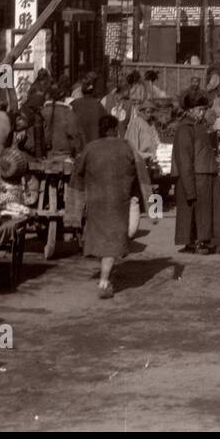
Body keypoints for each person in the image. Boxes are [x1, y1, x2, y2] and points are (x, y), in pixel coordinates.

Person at [72, 115, 139, 299]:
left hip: (97, 201)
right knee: (112, 241)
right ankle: (104, 282)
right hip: (118, 202)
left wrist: (77, 202)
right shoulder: (127, 147)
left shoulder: (90, 148)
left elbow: (78, 171)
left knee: (103, 239)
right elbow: (140, 172)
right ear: (116, 129)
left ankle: (104, 276)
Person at [173, 92, 220, 254]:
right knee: (199, 209)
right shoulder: (185, 129)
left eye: (203, 109)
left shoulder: (199, 126)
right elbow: (184, 160)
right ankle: (198, 242)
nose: (202, 113)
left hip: (205, 173)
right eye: (199, 109)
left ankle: (200, 240)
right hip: (196, 176)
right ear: (190, 110)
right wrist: (189, 187)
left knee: (204, 209)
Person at [122, 101, 161, 237]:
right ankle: (133, 224)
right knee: (138, 191)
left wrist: (157, 153)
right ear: (142, 111)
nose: (149, 114)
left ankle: (155, 213)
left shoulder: (151, 125)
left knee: (153, 186)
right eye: (147, 111)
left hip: (151, 160)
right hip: (140, 160)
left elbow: (156, 141)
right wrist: (143, 155)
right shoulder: (136, 123)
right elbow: (132, 145)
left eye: (151, 112)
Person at [71, 79, 105, 148]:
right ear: (93, 92)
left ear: (82, 92)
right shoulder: (98, 105)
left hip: (79, 145)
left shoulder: (74, 104)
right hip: (95, 145)